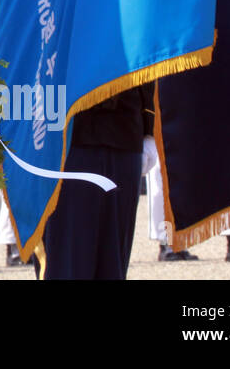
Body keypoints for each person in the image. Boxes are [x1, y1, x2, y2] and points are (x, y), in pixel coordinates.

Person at [41, 84, 152, 279]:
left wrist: (149, 124)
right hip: (64, 135)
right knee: (66, 264)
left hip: (123, 127)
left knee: (113, 264)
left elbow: (148, 58)